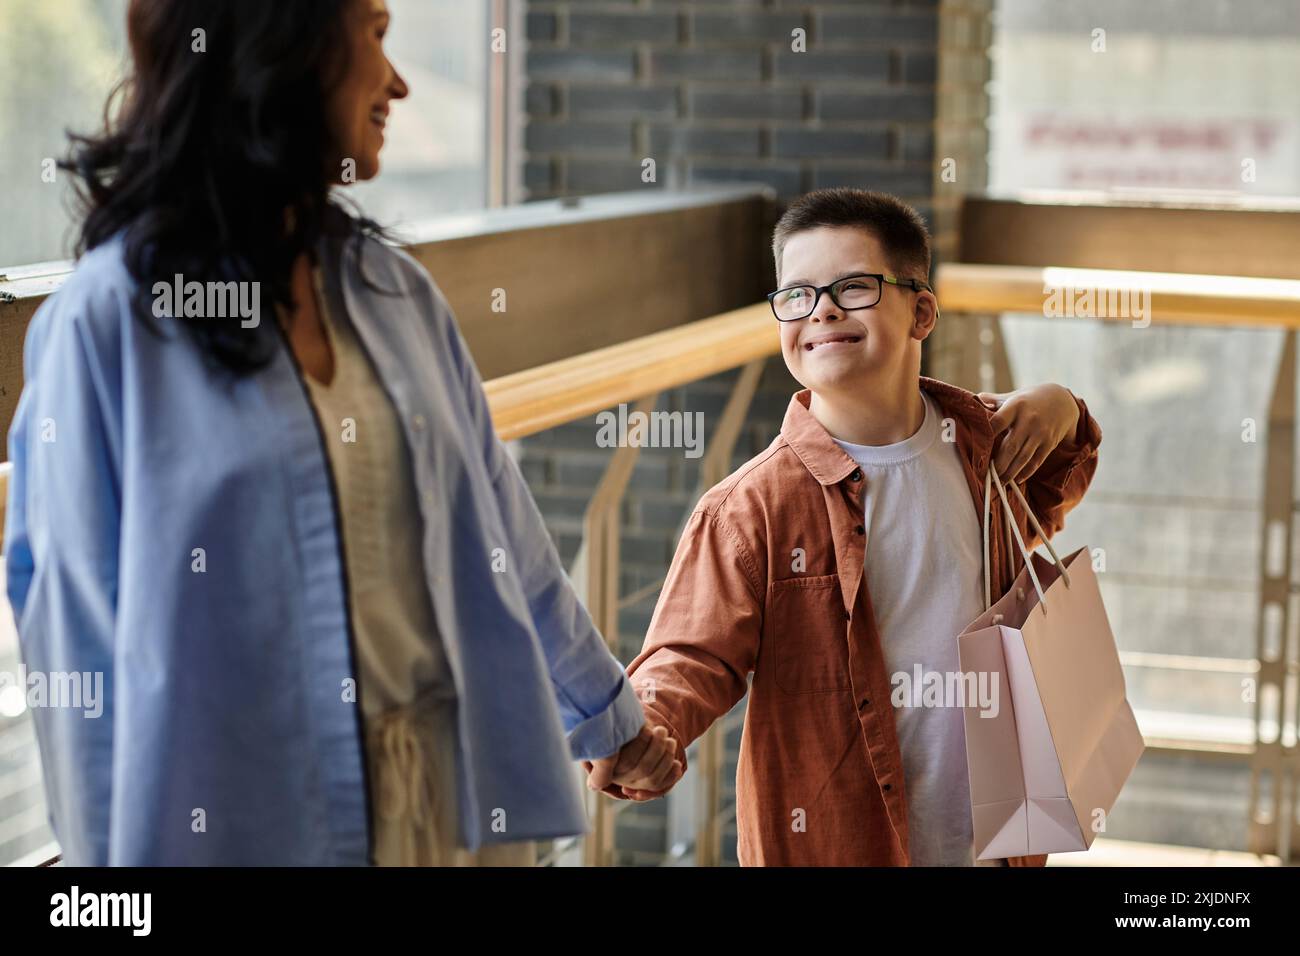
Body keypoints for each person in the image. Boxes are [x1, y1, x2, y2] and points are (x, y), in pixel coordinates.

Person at [4, 0, 677, 866]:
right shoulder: (105, 329)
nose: (397, 81)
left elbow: (506, 537)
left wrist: (608, 718)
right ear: (284, 46)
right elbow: (78, 668)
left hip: (448, 815)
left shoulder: (394, 294)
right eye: (375, 33)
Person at [590, 188, 1102, 866]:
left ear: (922, 312)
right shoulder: (749, 507)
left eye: (853, 287)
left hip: (995, 842)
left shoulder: (985, 446)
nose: (821, 308)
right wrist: (650, 727)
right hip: (839, 841)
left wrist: (1062, 406)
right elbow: (691, 656)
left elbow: (1061, 474)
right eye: (796, 295)